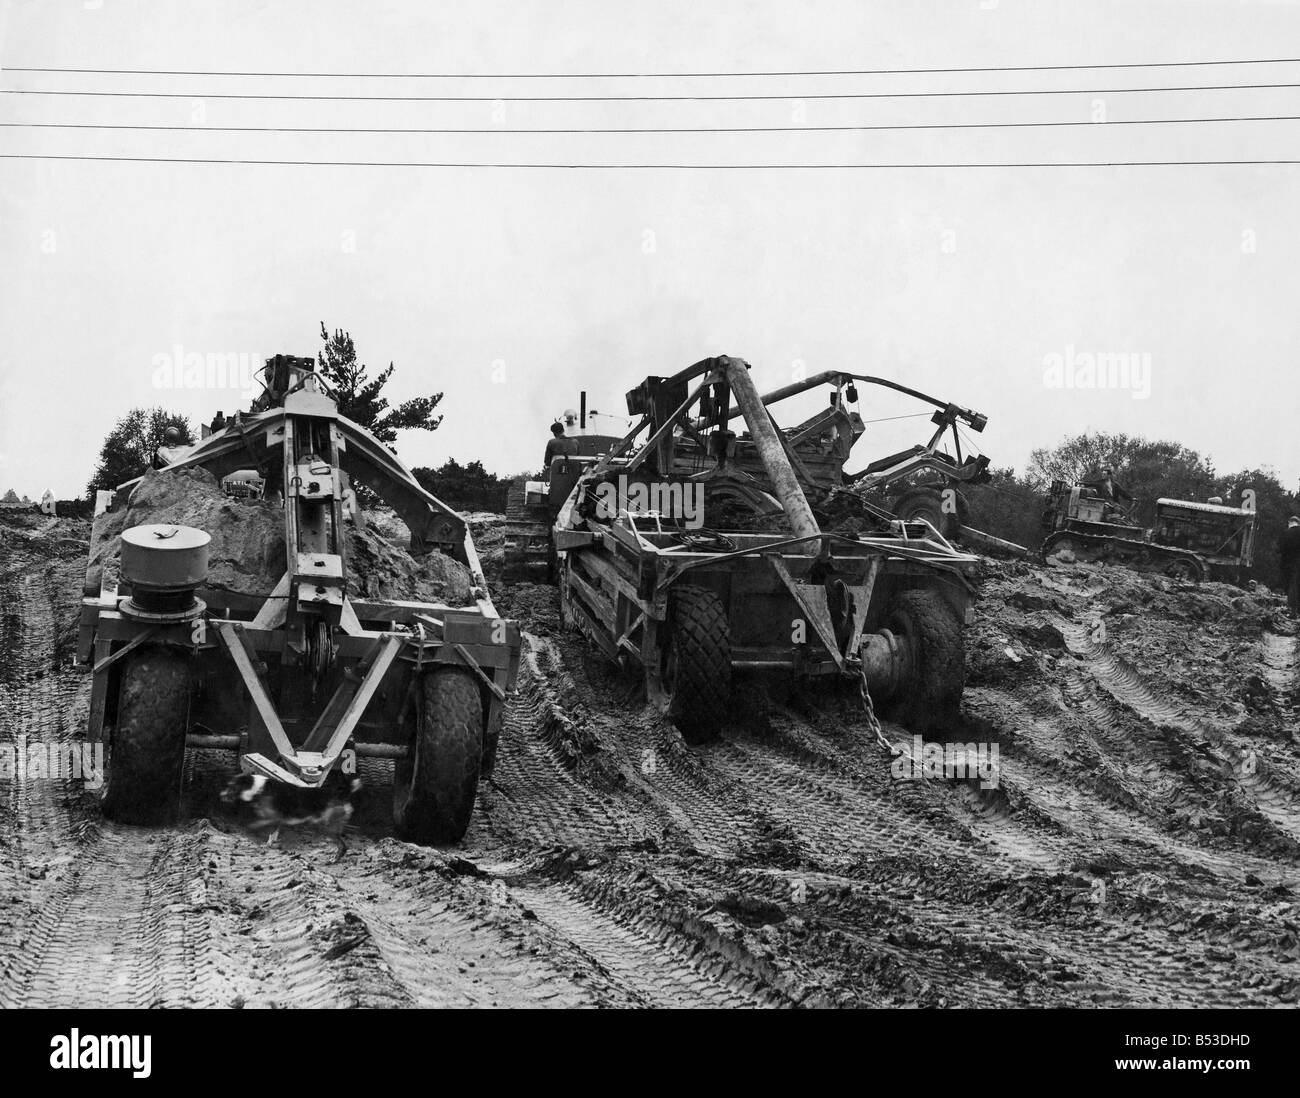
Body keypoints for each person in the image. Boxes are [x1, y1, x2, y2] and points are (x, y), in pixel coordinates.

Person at [1280, 515, 1300, 616]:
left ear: (1289, 523)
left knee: (1292, 585)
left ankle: (1293, 611)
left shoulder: (1285, 533)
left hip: (1289, 564)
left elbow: (1279, 549)